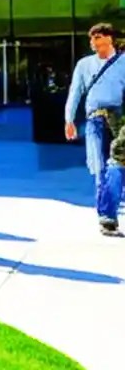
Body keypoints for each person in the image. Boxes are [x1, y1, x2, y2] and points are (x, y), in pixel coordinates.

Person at [64, 22, 125, 236]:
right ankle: (106, 216)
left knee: (117, 166)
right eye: (92, 42)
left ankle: (108, 214)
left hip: (119, 120)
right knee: (98, 167)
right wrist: (69, 120)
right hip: (94, 119)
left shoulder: (123, 63)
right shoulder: (84, 64)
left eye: (98, 41)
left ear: (109, 40)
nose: (95, 46)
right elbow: (75, 92)